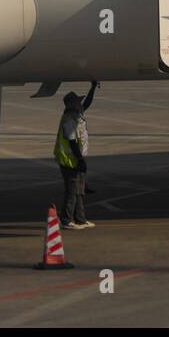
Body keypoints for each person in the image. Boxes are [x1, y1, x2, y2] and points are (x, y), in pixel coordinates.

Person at [54, 82, 98, 230]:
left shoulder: (77, 114)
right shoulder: (69, 119)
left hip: (76, 159)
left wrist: (92, 89)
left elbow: (88, 103)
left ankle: (80, 219)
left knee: (79, 191)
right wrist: (80, 160)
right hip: (69, 161)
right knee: (72, 192)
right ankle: (66, 220)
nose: (81, 104)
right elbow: (72, 142)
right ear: (73, 104)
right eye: (78, 102)